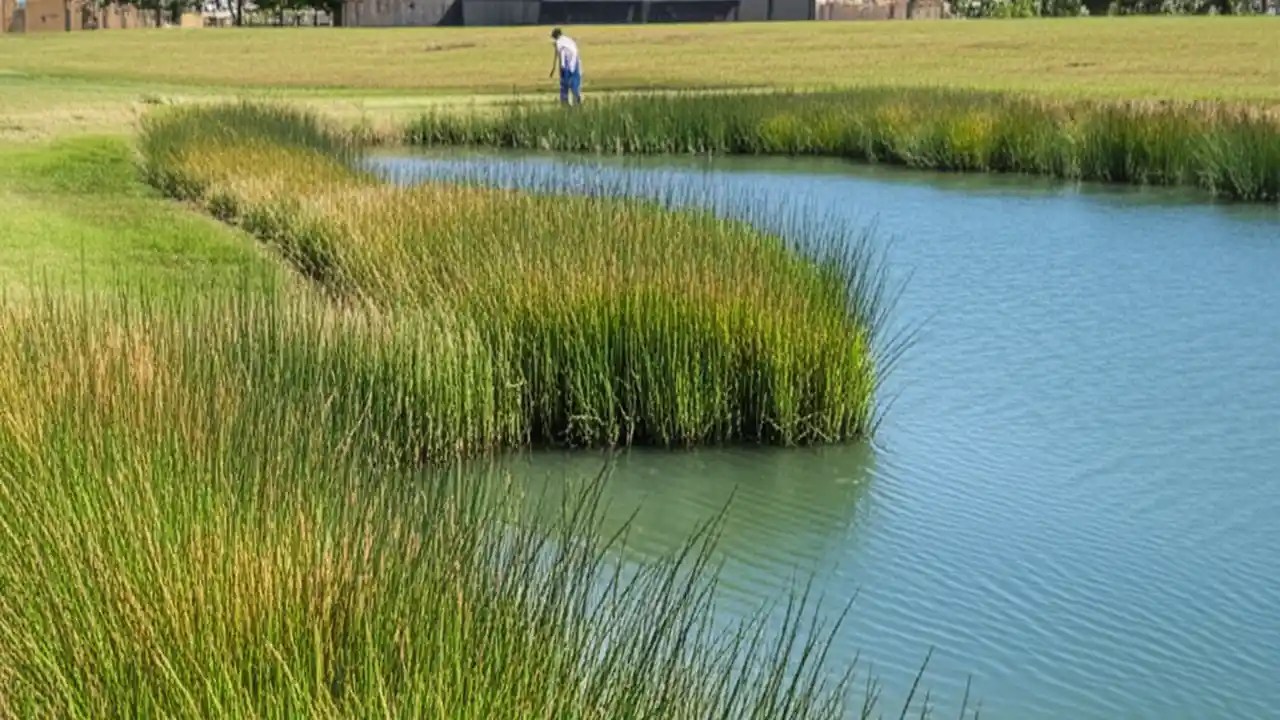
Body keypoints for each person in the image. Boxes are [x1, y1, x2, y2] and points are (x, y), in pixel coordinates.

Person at [549, 28, 582, 106]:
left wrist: (560, 69)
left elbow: (561, 56)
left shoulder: (559, 42)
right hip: (575, 61)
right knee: (575, 83)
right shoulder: (569, 40)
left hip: (567, 63)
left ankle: (565, 102)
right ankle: (577, 100)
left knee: (564, 84)